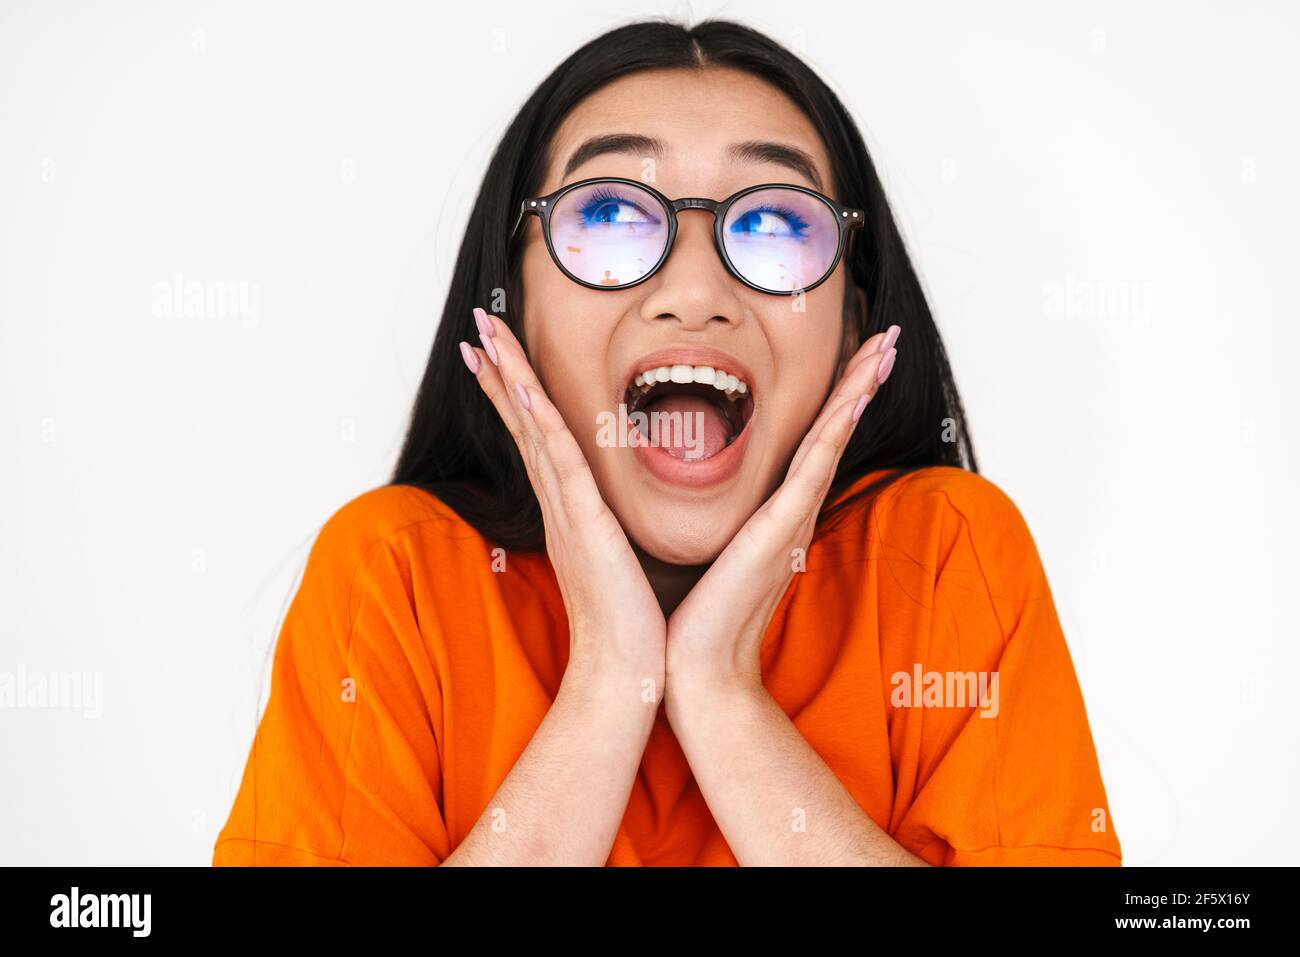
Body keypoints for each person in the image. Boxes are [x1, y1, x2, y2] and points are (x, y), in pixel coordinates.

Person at [212, 18, 1121, 866]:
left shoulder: (940, 558)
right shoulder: (395, 577)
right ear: (512, 302)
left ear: (853, 322)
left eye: (773, 222)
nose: (694, 290)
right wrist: (610, 680)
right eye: (608, 215)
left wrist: (719, 689)